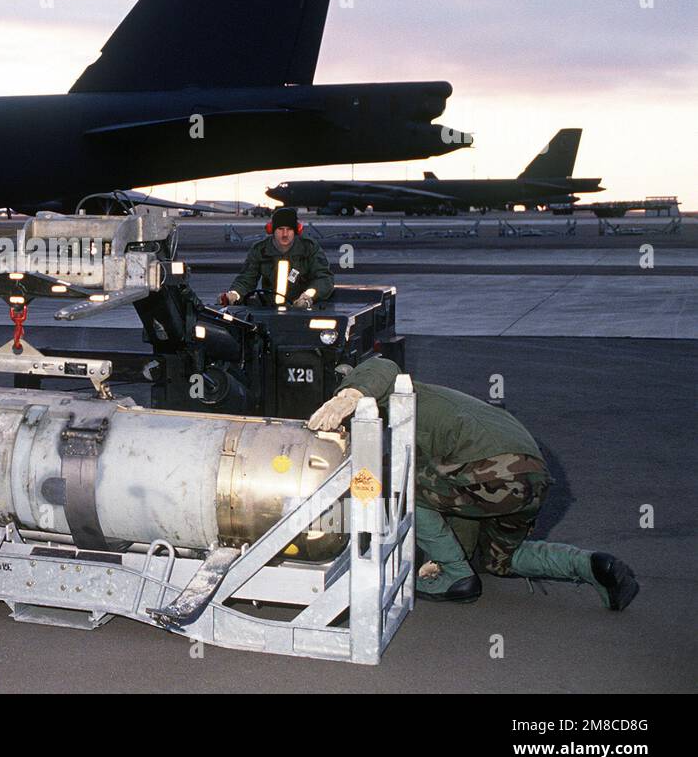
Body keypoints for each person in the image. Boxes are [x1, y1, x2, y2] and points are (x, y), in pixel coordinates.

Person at [307, 356, 639, 609]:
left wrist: (348, 396)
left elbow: (383, 365)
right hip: (531, 478)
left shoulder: (400, 395)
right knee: (501, 560)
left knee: (396, 483)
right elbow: (456, 504)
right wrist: (449, 559)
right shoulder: (440, 417)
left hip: (494, 468)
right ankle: (593, 566)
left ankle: (457, 577)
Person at [220, 207, 333, 309]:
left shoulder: (309, 247)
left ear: (296, 230)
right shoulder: (260, 249)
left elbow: (324, 278)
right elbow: (246, 279)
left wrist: (307, 297)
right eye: (280, 229)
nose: (285, 234)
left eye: (289, 229)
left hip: (300, 309)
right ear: (271, 230)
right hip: (269, 309)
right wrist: (233, 295)